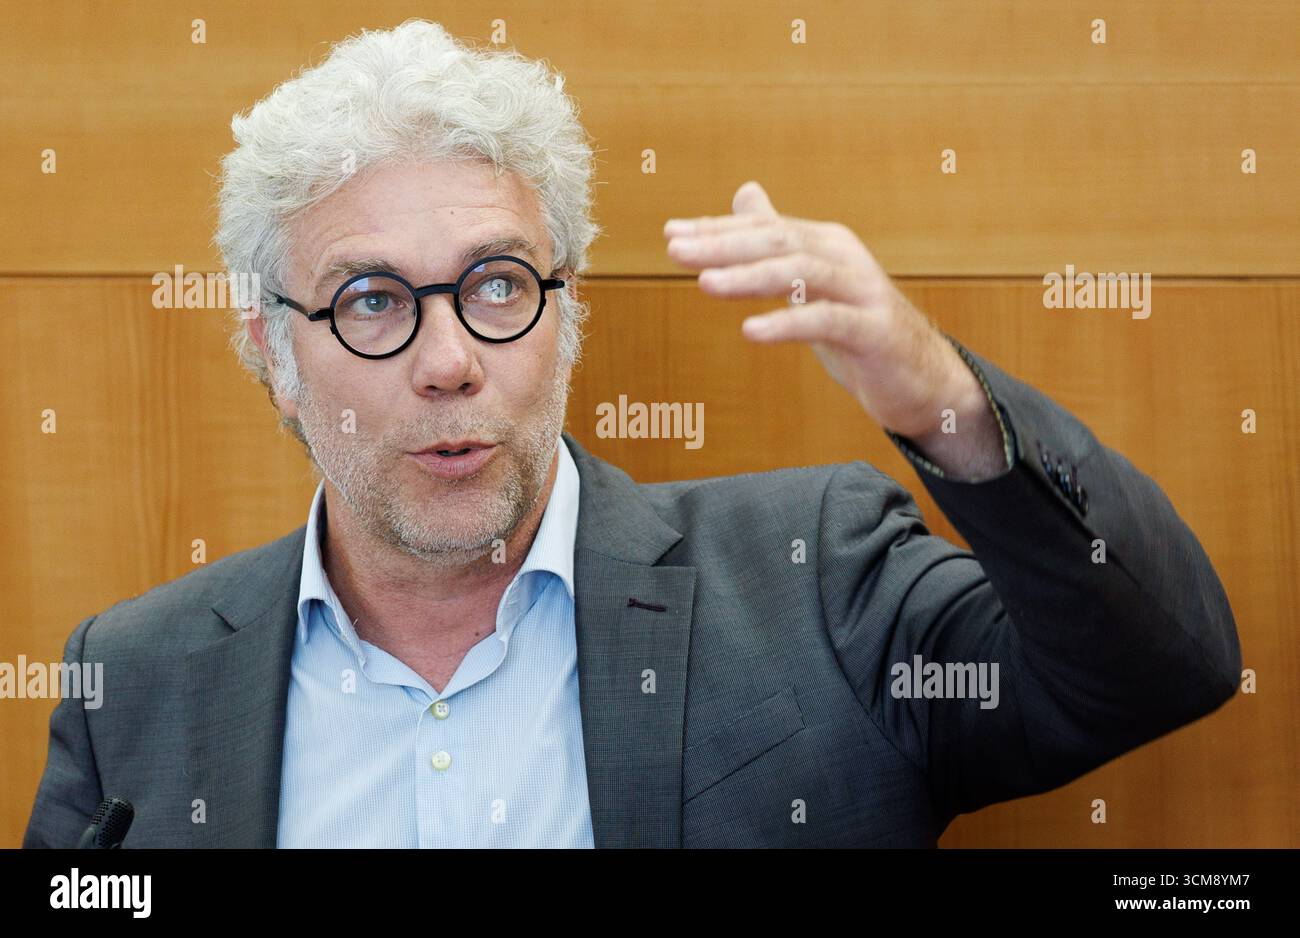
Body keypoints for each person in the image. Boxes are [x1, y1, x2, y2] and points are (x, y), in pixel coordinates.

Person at [24, 19, 1239, 848]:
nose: (450, 362)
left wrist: (941, 400)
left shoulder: (814, 582)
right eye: (372, 301)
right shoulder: (131, 685)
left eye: (498, 285)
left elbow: (1158, 668)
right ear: (273, 358)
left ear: (569, 314)